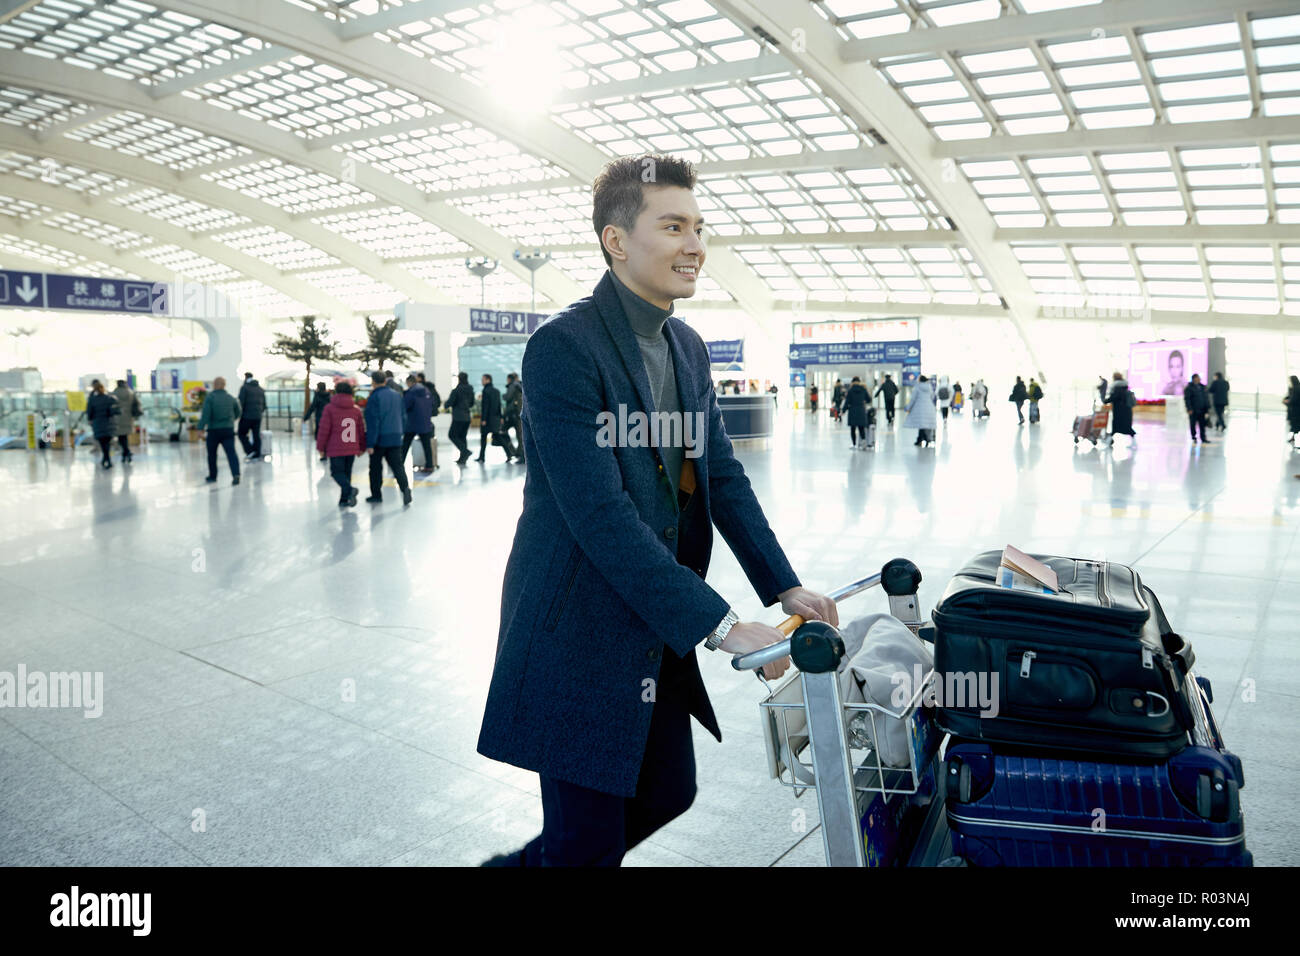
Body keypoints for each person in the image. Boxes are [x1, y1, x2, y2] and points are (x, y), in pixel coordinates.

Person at [477, 153, 836, 868]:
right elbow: (601, 517)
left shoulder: (686, 346)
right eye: (673, 226)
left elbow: (723, 477)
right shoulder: (562, 349)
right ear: (617, 240)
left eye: (699, 227)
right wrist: (721, 624)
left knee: (669, 790)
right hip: (578, 631)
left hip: (649, 617)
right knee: (586, 843)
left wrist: (782, 583)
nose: (695, 245)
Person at [363, 370, 412, 505]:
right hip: (395, 437)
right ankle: (405, 488)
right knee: (397, 466)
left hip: (380, 438)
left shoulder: (374, 397)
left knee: (375, 468)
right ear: (385, 381)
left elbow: (373, 421)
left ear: (373, 382)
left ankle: (376, 495)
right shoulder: (397, 395)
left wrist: (370, 443)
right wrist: (400, 432)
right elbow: (403, 417)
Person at [317, 382, 365, 506]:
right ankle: (344, 499)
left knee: (336, 472)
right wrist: (362, 447)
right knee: (347, 473)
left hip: (336, 447)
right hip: (352, 447)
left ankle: (349, 490)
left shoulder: (329, 408)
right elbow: (360, 429)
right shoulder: (356, 409)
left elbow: (324, 429)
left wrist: (321, 447)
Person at [198, 376, 241, 485]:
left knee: (212, 454)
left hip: (214, 431)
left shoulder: (210, 397)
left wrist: (201, 428)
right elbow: (238, 412)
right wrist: (232, 420)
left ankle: (213, 477)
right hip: (228, 430)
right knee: (231, 453)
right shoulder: (231, 398)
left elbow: (206, 415)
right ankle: (236, 474)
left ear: (215, 385)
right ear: (224, 385)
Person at [401, 374, 435, 474]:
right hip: (425, 422)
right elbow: (432, 404)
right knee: (427, 446)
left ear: (409, 382)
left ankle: (399, 465)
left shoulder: (411, 392)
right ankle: (429, 465)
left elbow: (405, 406)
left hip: (412, 423)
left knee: (405, 445)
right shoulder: (427, 391)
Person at [476, 373, 514, 463]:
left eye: (483, 379)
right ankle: (509, 454)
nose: (482, 381)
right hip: (495, 418)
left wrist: (484, 419)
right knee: (498, 436)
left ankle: (482, 457)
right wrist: (500, 416)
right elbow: (499, 405)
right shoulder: (496, 391)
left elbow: (486, 406)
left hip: (488, 419)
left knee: (483, 438)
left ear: (488, 380)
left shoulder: (485, 391)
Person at [86, 380, 119, 470]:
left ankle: (106, 458)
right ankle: (107, 459)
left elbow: (89, 412)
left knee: (102, 442)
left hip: (98, 423)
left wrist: (90, 420)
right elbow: (115, 407)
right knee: (107, 442)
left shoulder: (92, 399)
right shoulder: (109, 398)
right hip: (109, 422)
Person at [444, 371, 474, 465]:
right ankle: (462, 458)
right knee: (462, 437)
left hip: (458, 417)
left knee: (452, 435)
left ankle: (465, 452)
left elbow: (449, 403)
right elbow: (471, 403)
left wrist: (445, 405)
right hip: (467, 417)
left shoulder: (457, 390)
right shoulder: (470, 390)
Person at [236, 372, 265, 461]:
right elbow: (264, 405)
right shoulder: (260, 389)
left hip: (247, 416)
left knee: (241, 433)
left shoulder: (244, 388)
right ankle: (257, 453)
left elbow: (241, 403)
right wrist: (259, 413)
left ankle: (250, 451)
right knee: (256, 435)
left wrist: (239, 415)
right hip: (258, 416)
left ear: (245, 378)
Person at [1106, 371, 1137, 449]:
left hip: (1119, 412)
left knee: (1116, 427)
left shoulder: (1117, 387)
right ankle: (1134, 443)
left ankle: (1108, 442)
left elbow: (1114, 397)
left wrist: (1105, 401)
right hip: (1127, 411)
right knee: (1127, 427)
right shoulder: (1125, 386)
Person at [905, 374, 938, 447]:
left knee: (922, 425)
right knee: (924, 425)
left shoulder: (917, 387)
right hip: (929, 407)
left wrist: (908, 407)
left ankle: (923, 439)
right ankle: (923, 439)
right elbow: (932, 396)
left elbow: (913, 399)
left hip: (919, 408)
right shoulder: (929, 387)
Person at [111, 378, 135, 463]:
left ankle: (126, 452)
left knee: (121, 436)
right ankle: (126, 452)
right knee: (124, 436)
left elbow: (112, 405)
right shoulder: (130, 392)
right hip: (129, 416)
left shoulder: (115, 393)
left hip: (118, 417)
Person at [503, 372, 525, 464]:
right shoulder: (520, 385)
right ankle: (518, 453)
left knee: (503, 431)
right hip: (518, 413)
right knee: (520, 435)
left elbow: (507, 397)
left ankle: (518, 453)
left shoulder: (513, 386)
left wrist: (503, 396)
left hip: (513, 414)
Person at [1183, 373, 1211, 444]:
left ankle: (1203, 438)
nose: (1198, 379)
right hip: (1193, 410)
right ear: (1193, 379)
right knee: (1193, 424)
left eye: (1199, 378)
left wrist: (1207, 408)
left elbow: (1206, 398)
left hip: (1202, 409)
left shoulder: (1203, 387)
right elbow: (1187, 399)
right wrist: (1189, 409)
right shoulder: (1189, 388)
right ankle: (1194, 437)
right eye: (1197, 378)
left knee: (1202, 425)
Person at [844, 376, 871, 450]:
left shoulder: (850, 390)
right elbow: (869, 399)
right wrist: (864, 401)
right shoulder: (863, 389)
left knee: (853, 429)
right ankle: (863, 442)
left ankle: (854, 444)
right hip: (861, 410)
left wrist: (843, 411)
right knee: (861, 428)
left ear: (852, 382)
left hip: (852, 410)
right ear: (859, 382)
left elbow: (847, 402)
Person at [306, 382, 329, 460]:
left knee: (320, 436)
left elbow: (312, 407)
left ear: (318, 388)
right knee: (327, 435)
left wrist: (306, 417)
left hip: (319, 418)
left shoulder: (317, 396)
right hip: (328, 419)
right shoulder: (329, 395)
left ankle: (323, 454)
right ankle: (326, 452)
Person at [1285, 375, 1300, 446]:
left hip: (1297, 411)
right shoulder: (1294, 388)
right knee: (1295, 425)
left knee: (1296, 425)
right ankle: (1293, 438)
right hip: (1295, 410)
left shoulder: (1297, 388)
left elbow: (1294, 399)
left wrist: (1288, 401)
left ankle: (1293, 438)